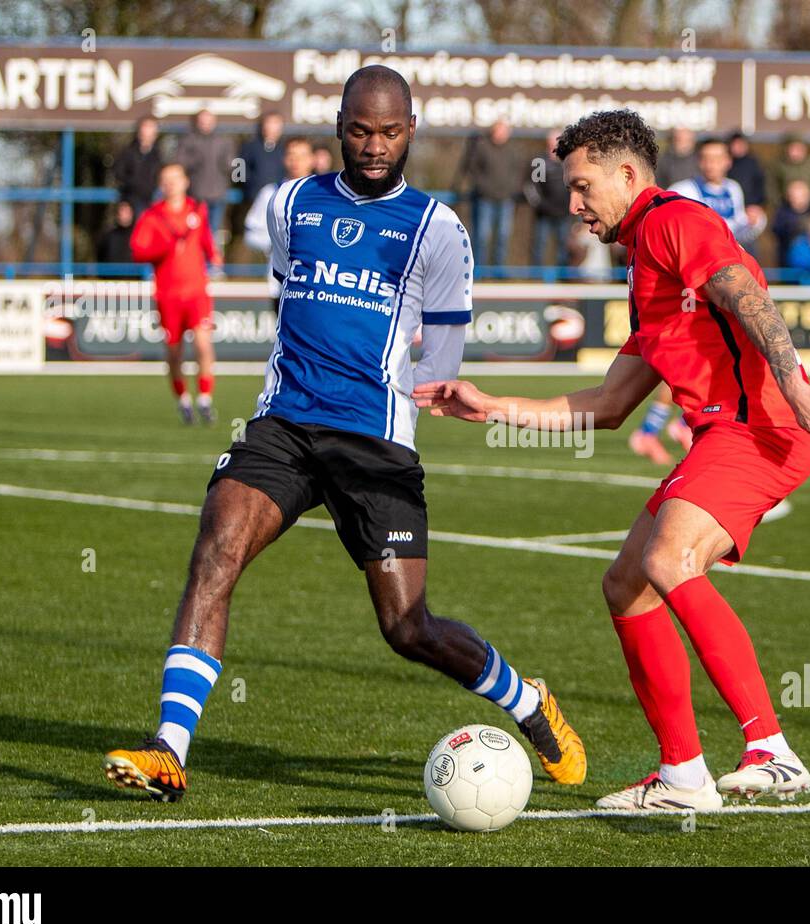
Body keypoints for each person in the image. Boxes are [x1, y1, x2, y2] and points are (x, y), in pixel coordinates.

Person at [103, 66, 586, 803]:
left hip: (376, 440)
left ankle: (525, 699)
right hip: (284, 424)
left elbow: (447, 338)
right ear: (339, 125)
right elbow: (285, 290)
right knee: (216, 550)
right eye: (360, 130)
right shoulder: (291, 203)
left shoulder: (437, 228)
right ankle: (168, 748)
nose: (373, 145)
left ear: (410, 132)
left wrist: (441, 390)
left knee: (407, 627)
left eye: (390, 132)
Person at [416, 108, 810, 812]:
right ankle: (682, 776)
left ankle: (771, 749)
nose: (575, 204)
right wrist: (489, 405)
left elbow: (743, 292)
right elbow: (611, 403)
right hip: (727, 435)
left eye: (584, 188)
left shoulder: (676, 219)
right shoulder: (644, 264)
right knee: (626, 584)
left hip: (761, 426)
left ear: (627, 175)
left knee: (666, 560)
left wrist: (793, 378)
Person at [130, 163, 221, 425]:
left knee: (203, 344)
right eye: (166, 179)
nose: (171, 184)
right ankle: (183, 400)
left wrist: (214, 254)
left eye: (175, 178)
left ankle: (205, 398)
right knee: (173, 351)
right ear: (161, 184)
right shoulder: (152, 216)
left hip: (196, 291)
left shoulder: (197, 210)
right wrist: (164, 246)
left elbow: (205, 240)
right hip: (168, 294)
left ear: (185, 182)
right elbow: (138, 250)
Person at [243, 136, 314, 311]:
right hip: (282, 284)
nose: (295, 161)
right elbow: (250, 234)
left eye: (302, 155)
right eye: (291, 155)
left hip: (317, 286)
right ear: (284, 159)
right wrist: (275, 242)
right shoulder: (270, 193)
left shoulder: (326, 195)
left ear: (312, 159)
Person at [668, 138, 753, 244]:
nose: (711, 164)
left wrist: (752, 222)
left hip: (728, 255)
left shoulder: (733, 188)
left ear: (728, 161)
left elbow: (738, 228)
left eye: (717, 159)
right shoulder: (681, 191)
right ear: (699, 161)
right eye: (706, 158)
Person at [458, 118, 518, 267]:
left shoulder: (512, 151)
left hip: (505, 199)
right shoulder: (482, 147)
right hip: (485, 199)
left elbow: (518, 173)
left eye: (504, 131)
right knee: (481, 236)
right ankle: (478, 270)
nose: (501, 134)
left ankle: (498, 271)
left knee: (502, 237)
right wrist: (483, 187)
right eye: (499, 130)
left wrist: (511, 188)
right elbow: (473, 170)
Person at [175, 109, 234, 251]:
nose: (206, 124)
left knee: (213, 231)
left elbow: (235, 165)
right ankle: (194, 262)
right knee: (193, 231)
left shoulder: (223, 141)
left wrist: (231, 166)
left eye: (209, 120)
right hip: (195, 195)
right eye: (202, 120)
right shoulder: (188, 140)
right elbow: (179, 163)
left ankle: (212, 264)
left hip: (217, 194)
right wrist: (195, 160)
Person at [524, 129, 570, 270]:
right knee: (539, 245)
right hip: (544, 213)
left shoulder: (568, 162)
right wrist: (540, 205)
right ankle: (536, 276)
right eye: (552, 141)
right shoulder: (540, 162)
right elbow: (532, 187)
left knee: (564, 246)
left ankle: (563, 277)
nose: (554, 145)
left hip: (564, 212)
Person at [112, 117, 162, 218]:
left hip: (153, 199)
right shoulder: (128, 152)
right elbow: (118, 173)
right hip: (132, 200)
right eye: (145, 127)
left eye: (151, 127)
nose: (147, 131)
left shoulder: (159, 155)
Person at [237, 110, 286, 209]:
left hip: (279, 199)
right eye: (269, 123)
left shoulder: (286, 148)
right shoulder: (250, 146)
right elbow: (238, 169)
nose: (272, 127)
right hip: (253, 198)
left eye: (276, 123)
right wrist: (249, 185)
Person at [771, 179, 810, 267]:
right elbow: (776, 231)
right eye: (793, 196)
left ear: (808, 196)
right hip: (788, 259)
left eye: (801, 196)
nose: (797, 200)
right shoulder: (782, 213)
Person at [771, 134, 810, 206]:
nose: (795, 152)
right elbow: (772, 187)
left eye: (799, 149)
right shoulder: (778, 164)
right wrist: (780, 203)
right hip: (786, 207)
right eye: (793, 148)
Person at [96, 201, 136, 265]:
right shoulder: (108, 236)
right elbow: (100, 256)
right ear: (117, 214)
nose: (124, 215)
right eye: (121, 211)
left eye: (127, 211)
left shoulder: (138, 236)